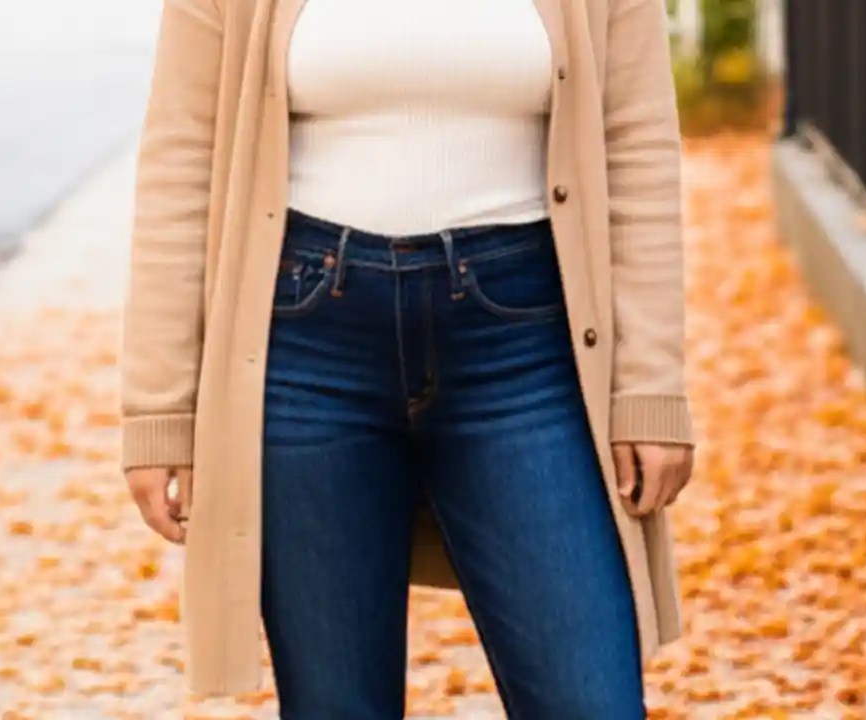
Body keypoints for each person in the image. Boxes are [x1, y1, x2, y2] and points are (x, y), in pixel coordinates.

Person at [121, 0, 694, 717]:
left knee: (589, 699)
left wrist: (649, 387)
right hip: (305, 348)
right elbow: (182, 156)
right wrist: (160, 408)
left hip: (526, 351)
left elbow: (637, 144)